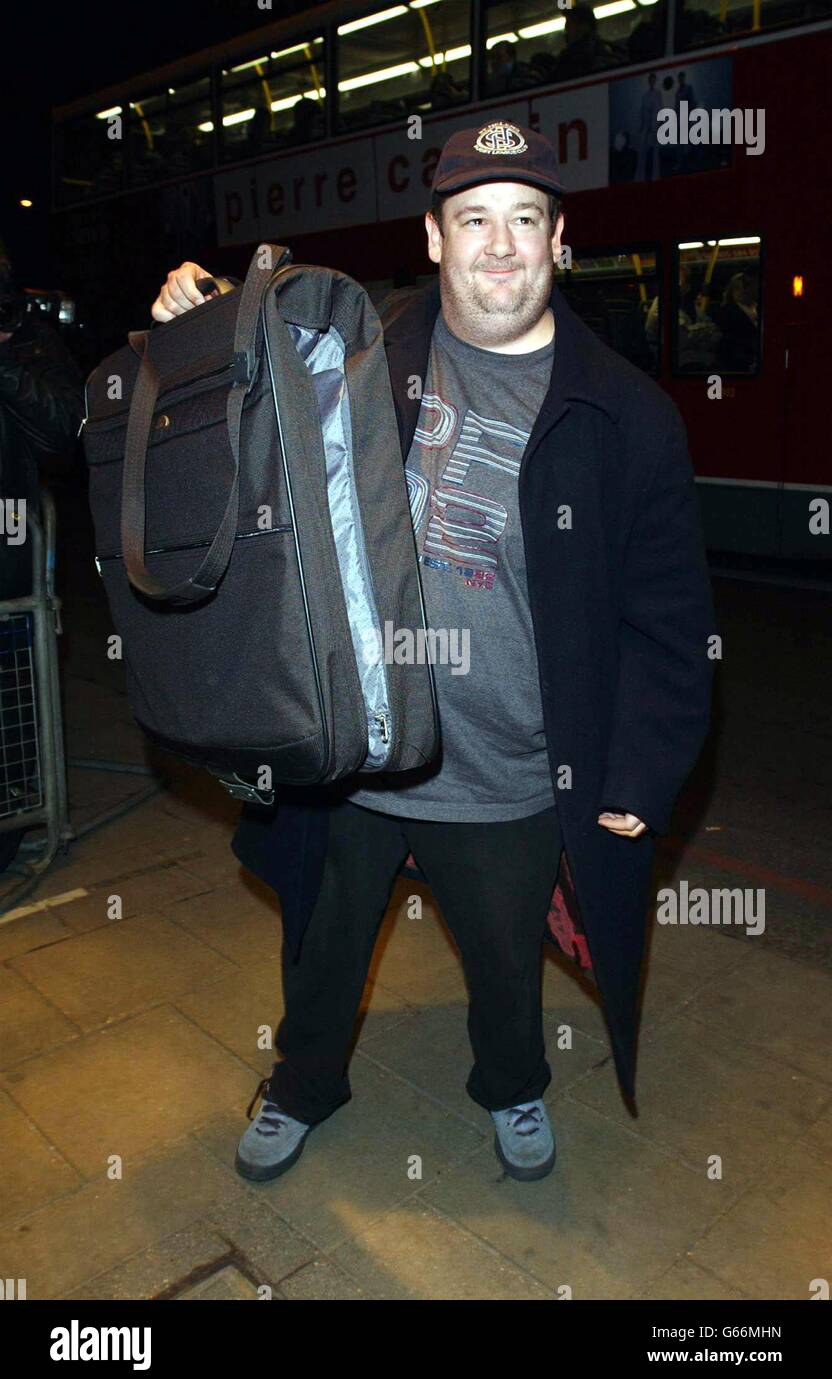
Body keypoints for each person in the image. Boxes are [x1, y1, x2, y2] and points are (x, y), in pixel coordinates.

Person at [150, 121, 715, 1183]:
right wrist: (198, 315)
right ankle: (304, 1079)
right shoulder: (362, 355)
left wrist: (642, 765)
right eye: (472, 220)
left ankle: (511, 1084)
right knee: (320, 947)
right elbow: (245, 389)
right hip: (352, 752)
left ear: (558, 240)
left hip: (506, 768)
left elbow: (669, 620)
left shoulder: (626, 415)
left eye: (523, 220)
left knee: (506, 969)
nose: (498, 246)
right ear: (432, 236)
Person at [0, 255, 84, 873]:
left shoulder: (29, 338)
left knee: (13, 694)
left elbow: (62, 429)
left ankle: (16, 815)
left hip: (7, 558)